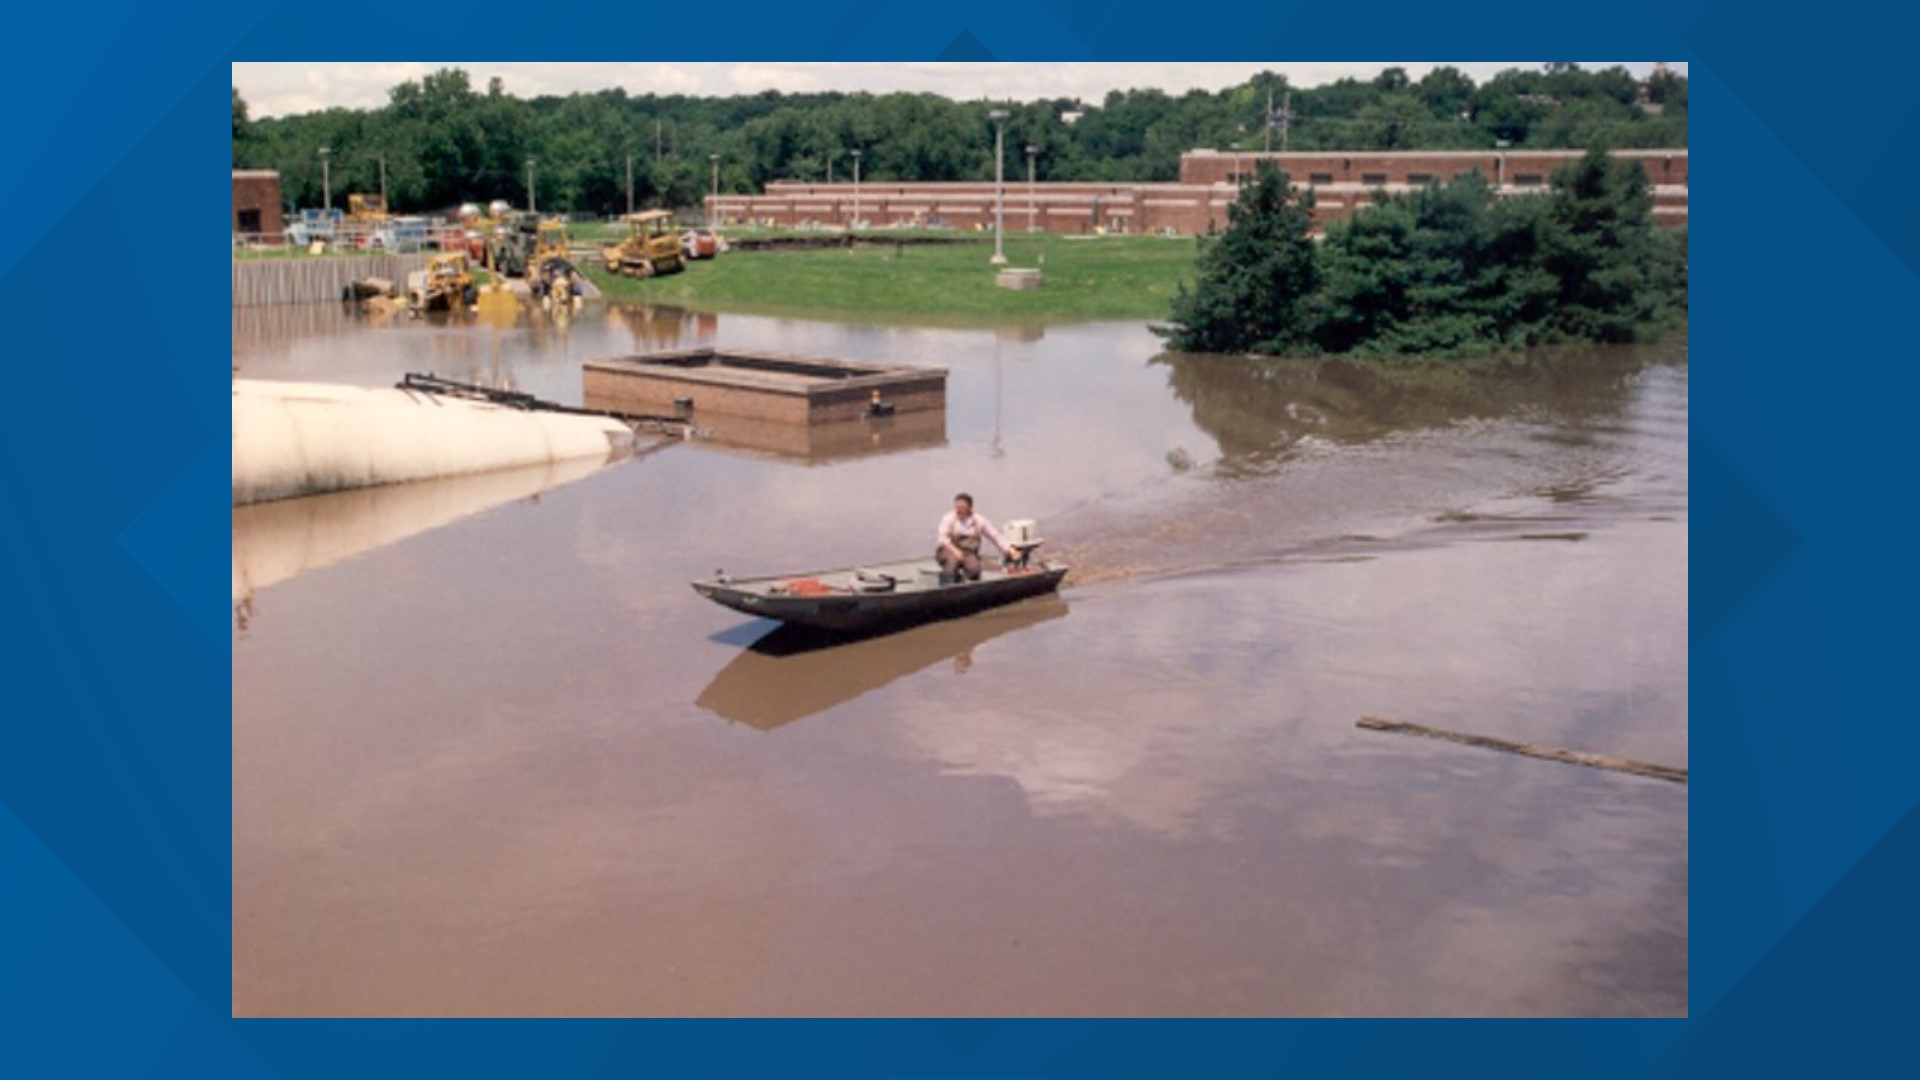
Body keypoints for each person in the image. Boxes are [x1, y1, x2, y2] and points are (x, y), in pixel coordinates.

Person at [936, 492, 1011, 583]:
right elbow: (942, 538)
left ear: (970, 508)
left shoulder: (979, 520)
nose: (958, 510)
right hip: (948, 550)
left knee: (974, 569)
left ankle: (965, 585)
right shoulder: (948, 518)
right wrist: (955, 551)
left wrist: (1009, 550)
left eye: (962, 508)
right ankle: (946, 586)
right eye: (957, 508)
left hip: (968, 553)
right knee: (952, 562)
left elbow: (994, 536)